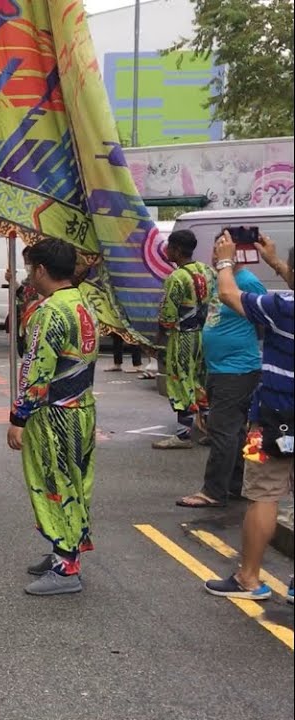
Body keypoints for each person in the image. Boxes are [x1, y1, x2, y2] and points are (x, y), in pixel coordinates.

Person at [204, 232, 294, 603]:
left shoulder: (283, 307)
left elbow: (229, 295)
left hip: (277, 417)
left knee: (264, 495)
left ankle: (248, 578)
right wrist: (274, 263)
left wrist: (225, 260)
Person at [7, 238, 98, 596]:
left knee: (54, 486)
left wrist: (19, 417)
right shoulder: (82, 302)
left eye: (31, 269)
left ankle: (66, 567)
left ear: (42, 270)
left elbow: (36, 370)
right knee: (75, 484)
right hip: (83, 409)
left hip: (55, 415)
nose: (30, 276)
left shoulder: (48, 312)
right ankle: (65, 549)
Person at [177, 252, 267, 509]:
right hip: (220, 367)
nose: (217, 254)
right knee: (233, 430)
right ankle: (235, 485)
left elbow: (261, 320)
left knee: (222, 430)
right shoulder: (221, 279)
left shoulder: (247, 281)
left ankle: (213, 491)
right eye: (216, 248)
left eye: (223, 248)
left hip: (237, 368)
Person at [153, 230, 213, 449]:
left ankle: (183, 435)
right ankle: (210, 429)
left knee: (180, 381)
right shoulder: (207, 271)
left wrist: (159, 337)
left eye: (169, 246)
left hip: (183, 337)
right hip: (203, 335)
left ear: (177, 250)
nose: (166, 250)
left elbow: (168, 315)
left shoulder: (177, 278)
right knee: (199, 380)